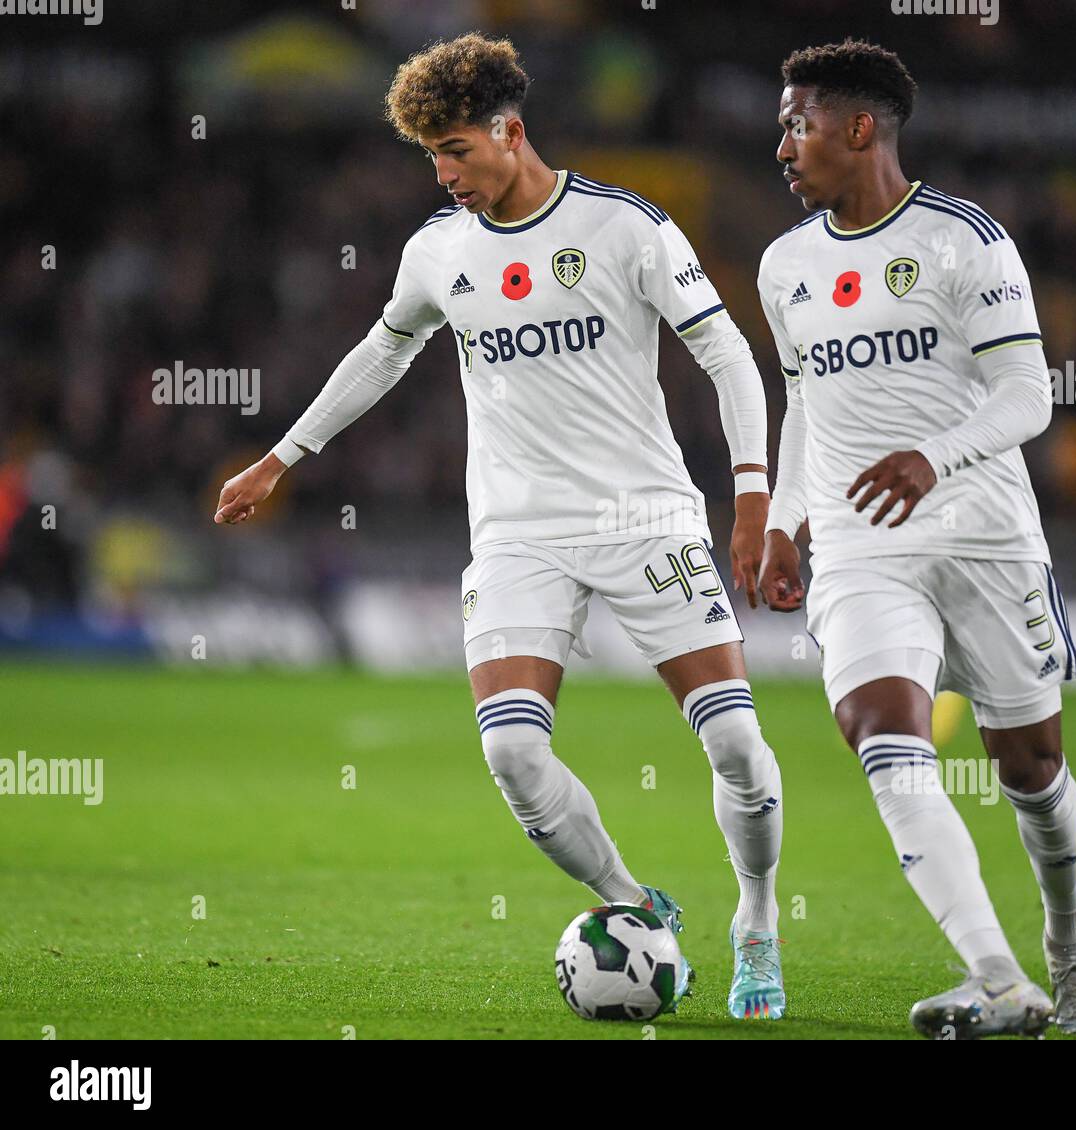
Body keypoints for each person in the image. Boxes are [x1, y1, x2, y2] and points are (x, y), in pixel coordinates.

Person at [214, 33, 786, 1020]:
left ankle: (758, 919)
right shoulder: (438, 251)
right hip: (519, 533)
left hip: (646, 518)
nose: (444, 176)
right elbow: (380, 353)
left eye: (455, 151)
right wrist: (283, 455)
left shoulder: (626, 227)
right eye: (430, 158)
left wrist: (751, 494)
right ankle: (629, 901)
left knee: (734, 738)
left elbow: (728, 355)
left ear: (510, 132)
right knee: (515, 755)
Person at [757, 37, 1076, 1038]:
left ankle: (1070, 955)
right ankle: (998, 979)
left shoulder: (967, 240)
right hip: (861, 547)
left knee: (1030, 767)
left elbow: (1027, 397)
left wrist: (933, 455)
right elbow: (802, 404)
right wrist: (785, 521)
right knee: (881, 729)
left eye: (797, 121)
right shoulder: (783, 265)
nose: (780, 141)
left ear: (859, 127)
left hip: (986, 539)